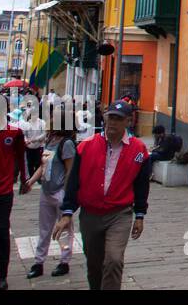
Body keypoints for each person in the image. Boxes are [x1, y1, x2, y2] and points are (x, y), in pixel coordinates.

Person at [54, 100, 152, 291]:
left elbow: (141, 186)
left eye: (118, 119)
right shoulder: (86, 146)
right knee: (94, 263)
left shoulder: (139, 151)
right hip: (90, 213)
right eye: (110, 117)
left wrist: (140, 215)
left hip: (119, 213)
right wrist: (67, 212)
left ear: (128, 122)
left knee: (114, 260)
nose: (113, 122)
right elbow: (74, 182)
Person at [22, 106, 75, 278]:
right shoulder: (50, 140)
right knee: (44, 229)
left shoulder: (66, 143)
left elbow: (70, 171)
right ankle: (39, 263)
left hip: (60, 192)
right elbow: (43, 166)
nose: (51, 120)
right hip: (46, 191)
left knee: (65, 229)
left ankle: (64, 261)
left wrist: (67, 197)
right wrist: (30, 181)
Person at [0, 116, 29, 290]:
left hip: (2, 191)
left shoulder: (14, 132)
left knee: (1, 231)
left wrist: (24, 178)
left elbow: (21, 156)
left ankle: (1, 275)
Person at [19, 99, 47, 179]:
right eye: (32, 115)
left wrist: (36, 139)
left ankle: (37, 177)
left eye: (36, 114)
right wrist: (26, 140)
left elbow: (45, 133)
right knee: (30, 163)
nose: (34, 116)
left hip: (39, 146)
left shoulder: (42, 123)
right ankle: (31, 177)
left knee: (38, 162)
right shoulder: (27, 123)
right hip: (29, 147)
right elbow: (23, 134)